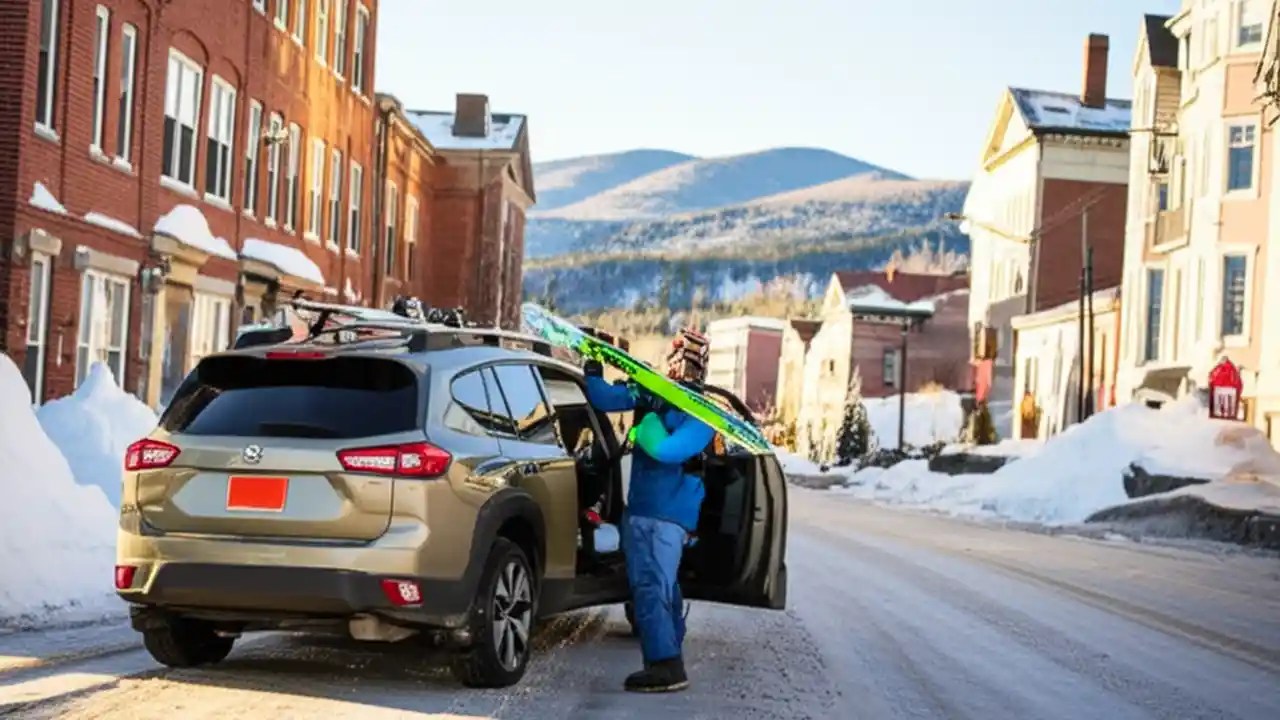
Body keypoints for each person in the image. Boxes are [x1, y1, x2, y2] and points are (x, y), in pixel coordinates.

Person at [582, 328, 715, 693]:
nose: (677, 367)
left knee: (651, 586)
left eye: (685, 360)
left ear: (698, 367)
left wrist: (649, 423)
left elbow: (669, 451)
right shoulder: (651, 392)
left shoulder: (702, 414)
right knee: (658, 586)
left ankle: (666, 665)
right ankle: (668, 654)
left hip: (667, 517)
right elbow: (603, 398)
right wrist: (592, 367)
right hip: (641, 509)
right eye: (675, 359)